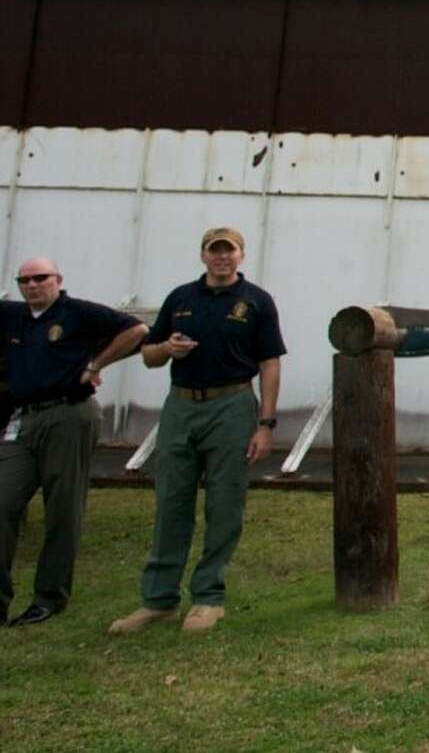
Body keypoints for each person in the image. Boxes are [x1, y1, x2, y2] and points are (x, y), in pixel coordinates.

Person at [108, 227, 285, 634]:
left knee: (224, 502)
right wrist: (167, 349)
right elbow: (150, 356)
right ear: (203, 255)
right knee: (171, 500)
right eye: (214, 251)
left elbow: (270, 363)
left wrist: (265, 425)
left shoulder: (256, 302)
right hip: (182, 405)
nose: (221, 258)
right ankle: (158, 600)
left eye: (229, 251)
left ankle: (208, 597)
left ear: (242, 255)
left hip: (233, 405)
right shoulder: (181, 298)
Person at [0, 258, 148, 626]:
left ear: (57, 280)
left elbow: (137, 329)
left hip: (68, 414)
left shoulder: (78, 313)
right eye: (25, 280)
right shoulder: (12, 316)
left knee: (62, 508)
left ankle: (49, 597)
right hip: (23, 418)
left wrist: (96, 365)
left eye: (40, 278)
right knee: (3, 502)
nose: (33, 286)